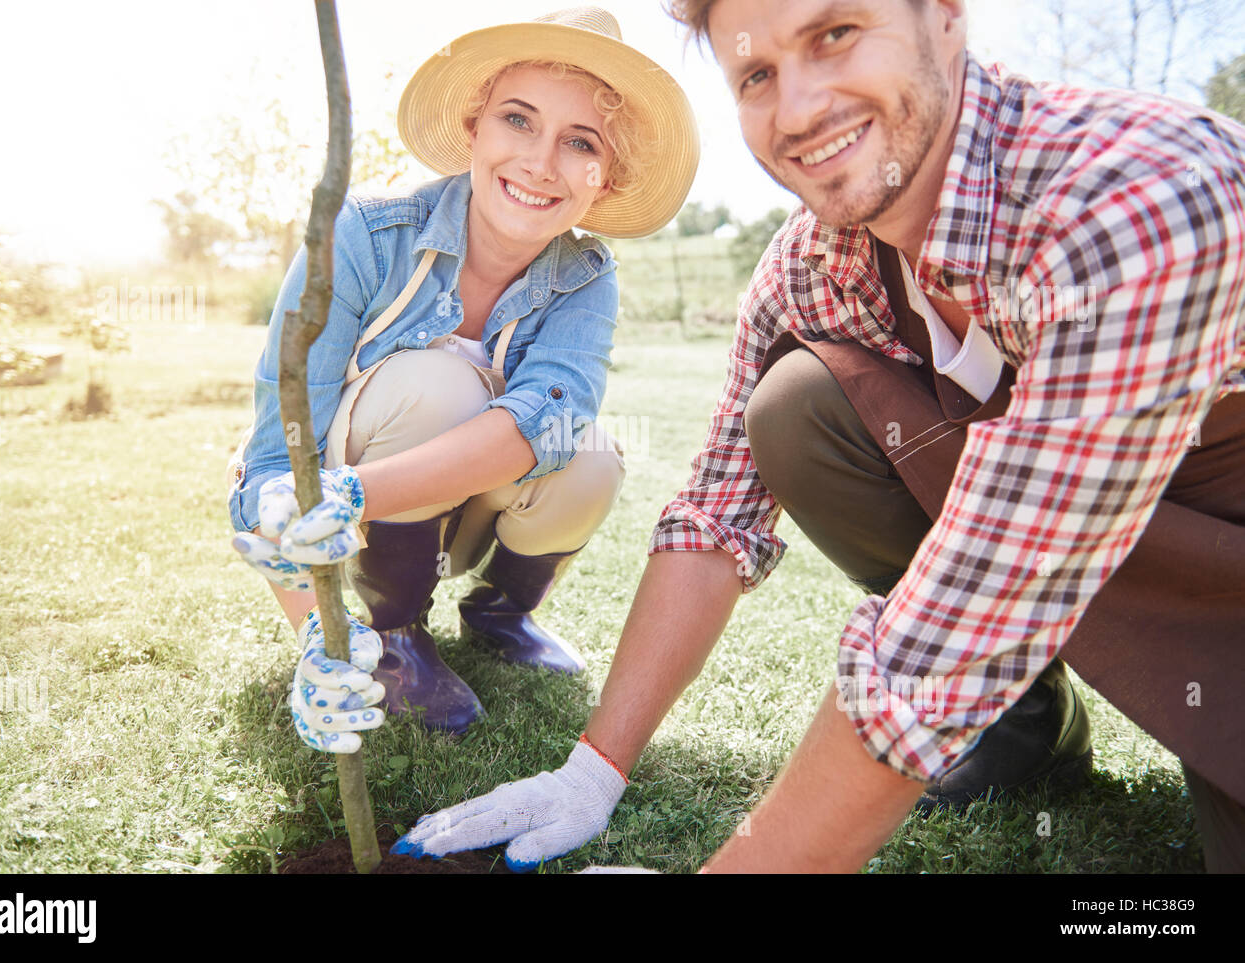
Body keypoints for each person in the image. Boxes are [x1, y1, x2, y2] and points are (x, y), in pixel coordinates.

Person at [395, 0, 1245, 872]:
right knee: (796, 403)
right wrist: (593, 770)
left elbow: (973, 607)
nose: (798, 111)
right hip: (1067, 544)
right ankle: (1020, 723)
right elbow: (716, 514)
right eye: (758, 76)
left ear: (945, 18)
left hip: (1216, 560)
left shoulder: (1139, 191)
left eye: (835, 34)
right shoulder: (812, 266)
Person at [225, 6, 699, 745]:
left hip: (409, 505)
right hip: (352, 514)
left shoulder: (586, 278)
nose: (542, 162)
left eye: (580, 142)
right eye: (518, 120)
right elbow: (270, 466)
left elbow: (549, 418)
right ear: (473, 128)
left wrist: (355, 496)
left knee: (593, 454)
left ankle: (500, 611)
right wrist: (326, 633)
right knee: (438, 383)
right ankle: (396, 632)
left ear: (605, 178)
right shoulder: (363, 232)